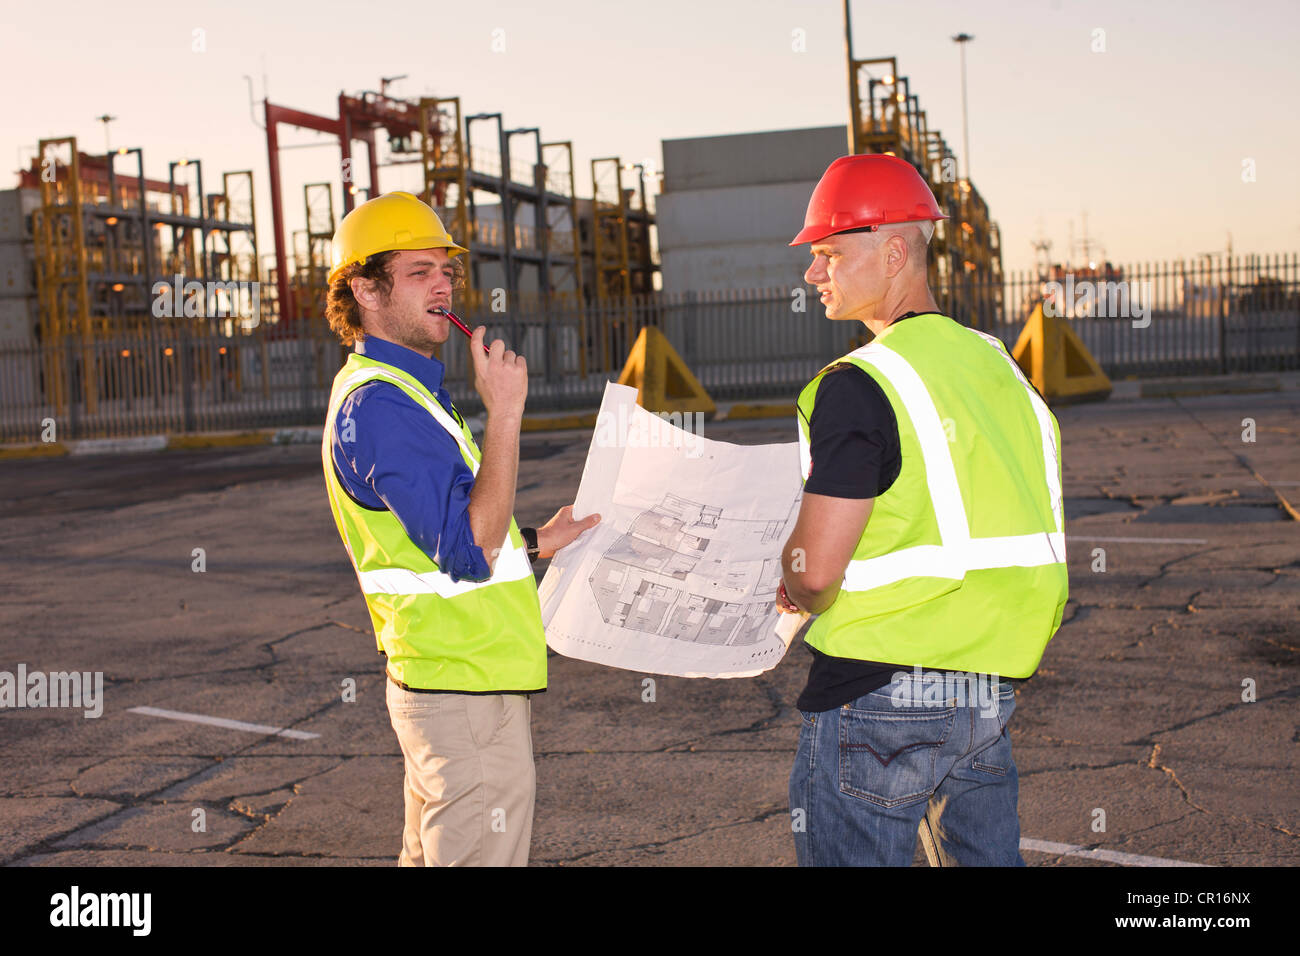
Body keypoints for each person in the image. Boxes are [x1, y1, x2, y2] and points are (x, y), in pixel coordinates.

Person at [777, 155, 1068, 866]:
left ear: (895, 250)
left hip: (879, 695)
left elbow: (814, 574)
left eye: (828, 254)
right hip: (985, 694)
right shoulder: (999, 366)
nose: (813, 275)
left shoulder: (861, 384)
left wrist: (784, 575)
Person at [319, 191, 599, 866]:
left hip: (443, 681)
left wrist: (533, 541)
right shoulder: (383, 405)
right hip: (462, 691)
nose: (443, 284)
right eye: (419, 272)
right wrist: (505, 412)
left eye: (446, 270)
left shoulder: (397, 389)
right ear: (364, 288)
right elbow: (468, 546)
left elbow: (439, 540)